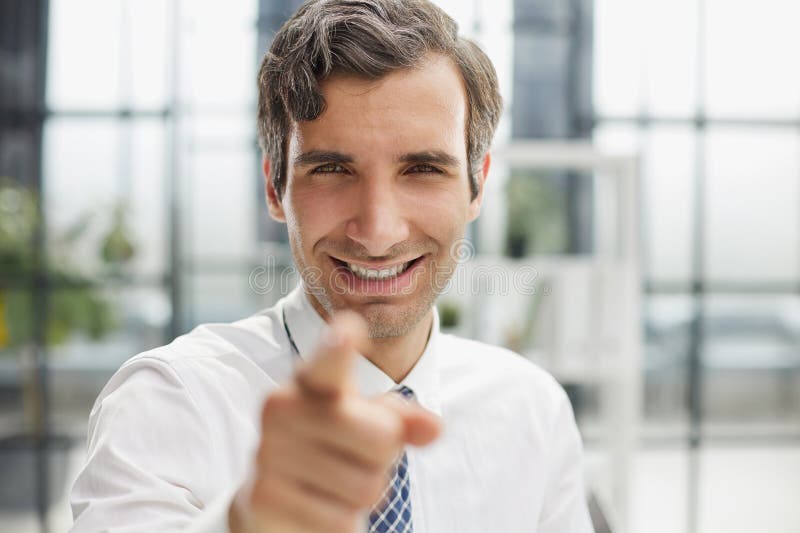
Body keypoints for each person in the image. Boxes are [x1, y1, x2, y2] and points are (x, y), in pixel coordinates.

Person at [70, 0, 594, 532]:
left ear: (477, 184)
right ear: (275, 188)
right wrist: (247, 522)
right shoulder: (168, 400)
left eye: (423, 168)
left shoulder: (533, 411)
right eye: (332, 169)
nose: (378, 231)